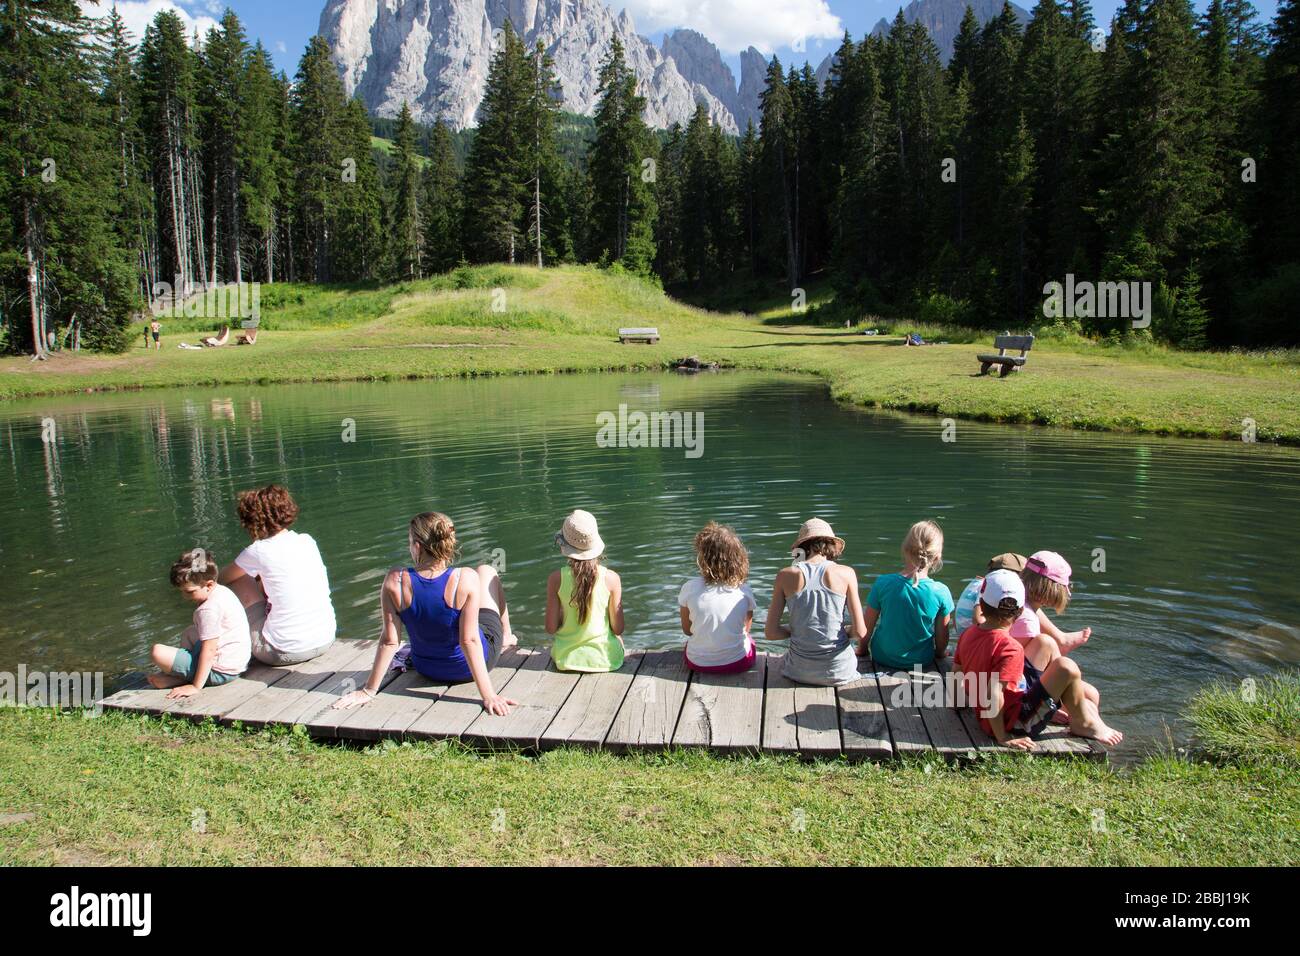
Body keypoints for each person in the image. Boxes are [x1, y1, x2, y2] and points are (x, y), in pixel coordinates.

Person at [333, 512, 518, 716]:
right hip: (467, 669)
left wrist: (368, 691)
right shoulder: (465, 577)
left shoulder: (395, 580)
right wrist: (489, 696)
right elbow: (469, 640)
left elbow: (389, 642)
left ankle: (506, 636)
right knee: (487, 571)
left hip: (427, 669)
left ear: (417, 546)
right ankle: (507, 636)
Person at [953, 569, 1122, 749]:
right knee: (1066, 667)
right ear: (1019, 612)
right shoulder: (1010, 648)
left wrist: (957, 703)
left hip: (991, 713)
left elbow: (956, 671)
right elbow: (993, 695)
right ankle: (1083, 723)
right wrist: (1002, 737)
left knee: (1045, 642)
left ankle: (1071, 706)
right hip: (1015, 723)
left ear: (981, 604)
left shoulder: (969, 634)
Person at [219, 484, 336, 666]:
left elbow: (222, 578)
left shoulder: (257, 551)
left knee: (240, 579)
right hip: (325, 639)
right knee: (264, 577)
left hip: (282, 652)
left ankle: (214, 639)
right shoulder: (307, 540)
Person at [766, 518, 867, 686]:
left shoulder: (785, 575)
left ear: (802, 547)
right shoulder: (846, 573)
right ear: (831, 545)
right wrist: (841, 631)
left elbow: (771, 633)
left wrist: (801, 631)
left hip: (797, 670)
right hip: (840, 670)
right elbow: (860, 632)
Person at [148, 549, 251, 698]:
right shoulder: (222, 591)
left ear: (208, 585)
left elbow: (209, 651)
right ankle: (179, 676)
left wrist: (195, 687)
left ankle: (185, 679)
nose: (184, 596)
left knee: (157, 652)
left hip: (221, 671)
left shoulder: (208, 609)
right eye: (181, 591)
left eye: (189, 591)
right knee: (189, 633)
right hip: (236, 662)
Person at [858, 520, 955, 668]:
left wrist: (862, 650)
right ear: (936, 557)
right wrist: (940, 654)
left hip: (882, 657)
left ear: (905, 549)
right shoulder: (941, 591)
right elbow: (942, 638)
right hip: (921, 661)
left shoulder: (883, 583)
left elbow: (867, 628)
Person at [547, 510, 625, 672]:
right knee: (618, 638)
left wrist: (565, 615)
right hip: (606, 659)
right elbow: (618, 628)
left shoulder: (556, 579)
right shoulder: (611, 578)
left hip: (565, 658)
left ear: (564, 543)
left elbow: (551, 628)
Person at [678, 522, 757, 674]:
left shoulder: (689, 587)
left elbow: (687, 631)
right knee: (750, 640)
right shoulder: (744, 591)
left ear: (702, 559)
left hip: (697, 662)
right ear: (738, 559)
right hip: (739, 663)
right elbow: (745, 629)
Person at [953, 552, 1027, 635]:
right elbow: (978, 619)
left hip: (964, 635)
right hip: (977, 636)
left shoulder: (976, 583)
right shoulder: (988, 587)